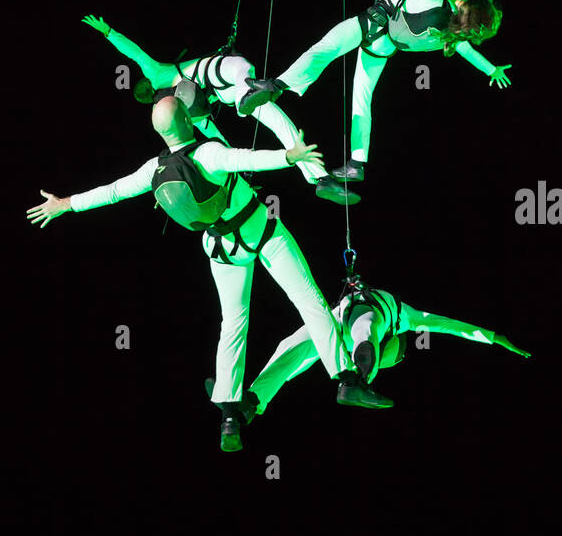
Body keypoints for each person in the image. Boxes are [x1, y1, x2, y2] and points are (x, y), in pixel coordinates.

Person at [26, 94, 384, 452]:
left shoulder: (154, 169)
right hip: (262, 231)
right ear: (185, 120)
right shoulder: (207, 153)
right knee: (310, 302)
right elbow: (245, 158)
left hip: (221, 249)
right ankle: (347, 379)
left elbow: (114, 191)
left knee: (233, 322)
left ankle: (229, 413)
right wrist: (290, 156)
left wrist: (66, 204)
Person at [239, 0, 511, 190]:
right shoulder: (449, 39)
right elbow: (469, 52)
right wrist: (491, 69)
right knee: (362, 98)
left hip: (371, 24)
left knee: (324, 49)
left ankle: (276, 85)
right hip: (383, 49)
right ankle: (357, 164)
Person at [80, 13, 358, 205]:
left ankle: (320, 178)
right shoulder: (156, 77)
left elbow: (213, 134)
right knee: (243, 69)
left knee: (274, 116)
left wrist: (238, 169)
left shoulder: (176, 112)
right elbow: (135, 53)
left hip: (223, 95)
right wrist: (108, 32)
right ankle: (250, 92)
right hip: (214, 75)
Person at [232, 275, 530, 422]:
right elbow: (448, 324)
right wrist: (493, 336)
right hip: (344, 319)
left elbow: (301, 365)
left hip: (346, 329)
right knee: (290, 348)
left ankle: (356, 385)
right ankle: (251, 402)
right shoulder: (404, 318)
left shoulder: (367, 338)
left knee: (355, 333)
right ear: (395, 345)